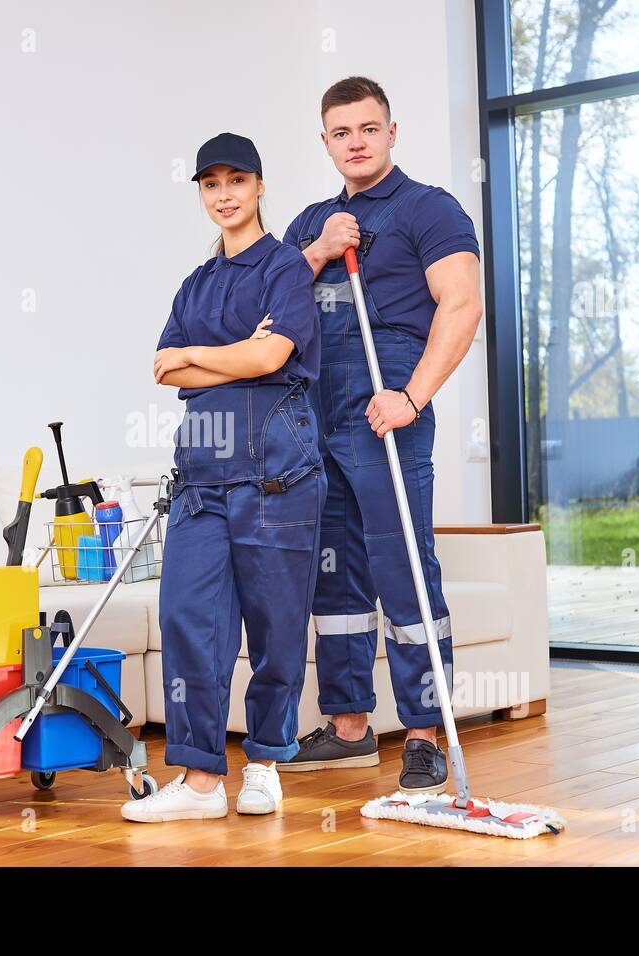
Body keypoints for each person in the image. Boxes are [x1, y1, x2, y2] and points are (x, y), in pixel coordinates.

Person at [277, 77, 483, 793]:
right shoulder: (310, 220)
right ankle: (347, 728)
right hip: (312, 404)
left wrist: (412, 397)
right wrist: (317, 252)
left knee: (400, 561)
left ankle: (423, 734)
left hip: (383, 392)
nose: (356, 142)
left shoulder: (430, 209)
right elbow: (262, 307)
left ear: (392, 131)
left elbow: (460, 305)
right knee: (331, 568)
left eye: (369, 128)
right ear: (325, 141)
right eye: (342, 132)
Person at [122, 132, 324, 823]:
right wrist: (239, 353)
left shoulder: (286, 267)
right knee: (187, 620)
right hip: (202, 480)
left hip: (279, 476)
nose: (225, 194)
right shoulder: (196, 284)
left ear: (261, 186)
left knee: (275, 628)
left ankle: (264, 762)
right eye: (211, 184)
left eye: (237, 180)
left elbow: (273, 358)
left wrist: (203, 357)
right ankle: (201, 781)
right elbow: (161, 367)